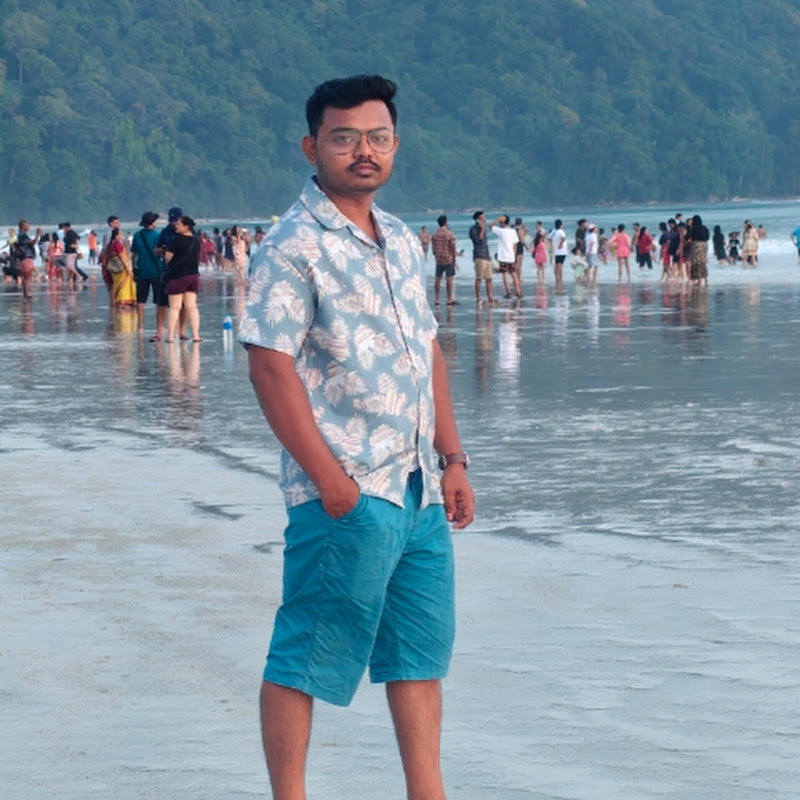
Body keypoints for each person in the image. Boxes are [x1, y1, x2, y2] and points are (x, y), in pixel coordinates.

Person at [238, 74, 474, 800]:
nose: (363, 151)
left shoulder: (399, 237)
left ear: (395, 145)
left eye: (377, 137)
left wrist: (453, 458)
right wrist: (329, 481)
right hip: (345, 489)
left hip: (418, 488)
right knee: (306, 653)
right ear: (312, 147)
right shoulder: (291, 244)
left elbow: (426, 350)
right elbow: (270, 365)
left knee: (418, 656)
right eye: (344, 138)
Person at [163, 214, 201, 343]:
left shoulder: (177, 240)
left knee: (175, 307)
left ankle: (170, 336)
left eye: (179, 224)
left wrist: (167, 258)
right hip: (193, 276)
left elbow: (168, 257)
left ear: (186, 226)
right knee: (192, 307)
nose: (176, 226)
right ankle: (196, 335)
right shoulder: (196, 241)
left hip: (178, 276)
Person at [130, 211, 167, 339]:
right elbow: (161, 253)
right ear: (152, 222)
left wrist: (134, 268)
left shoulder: (137, 235)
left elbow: (133, 255)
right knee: (159, 300)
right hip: (156, 270)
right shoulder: (157, 236)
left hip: (142, 270)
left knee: (140, 299)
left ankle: (141, 326)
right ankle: (160, 326)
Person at [469, 210, 496, 305]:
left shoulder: (483, 228)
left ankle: (490, 297)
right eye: (482, 218)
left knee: (489, 278)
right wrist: (482, 230)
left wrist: (489, 255)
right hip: (479, 255)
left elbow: (485, 243)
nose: (484, 220)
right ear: (477, 220)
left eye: (484, 218)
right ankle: (478, 298)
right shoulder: (473, 229)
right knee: (479, 278)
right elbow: (478, 241)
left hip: (485, 255)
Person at [491, 214, 521, 297]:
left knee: (505, 274)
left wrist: (497, 219)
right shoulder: (513, 231)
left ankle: (508, 292)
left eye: (500, 222)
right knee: (514, 274)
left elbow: (490, 226)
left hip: (503, 256)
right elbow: (515, 245)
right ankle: (518, 291)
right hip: (511, 256)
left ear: (503, 222)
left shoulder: (501, 231)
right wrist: (514, 255)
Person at [105, 227, 136, 308]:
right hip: (120, 266)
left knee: (117, 283)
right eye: (120, 234)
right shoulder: (117, 243)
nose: (121, 235)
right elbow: (121, 256)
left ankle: (119, 301)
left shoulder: (110, 244)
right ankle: (123, 302)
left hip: (113, 266)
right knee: (123, 283)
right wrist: (127, 267)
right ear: (116, 235)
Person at [431, 214, 458, 306]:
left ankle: (437, 299)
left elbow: (433, 249)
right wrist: (454, 258)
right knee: (449, 279)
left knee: (437, 279)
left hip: (439, 259)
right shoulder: (449, 233)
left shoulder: (435, 234)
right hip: (448, 258)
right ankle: (449, 299)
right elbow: (453, 247)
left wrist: (436, 255)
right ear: (446, 222)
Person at [15, 220, 41, 299]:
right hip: (26, 255)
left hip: (25, 255)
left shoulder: (22, 235)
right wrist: (37, 234)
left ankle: (26, 293)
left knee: (26, 275)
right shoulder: (22, 235)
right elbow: (32, 242)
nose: (29, 227)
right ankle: (26, 293)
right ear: (22, 226)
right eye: (27, 225)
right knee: (26, 274)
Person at [688, 215, 709, 286]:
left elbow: (691, 238)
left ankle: (698, 279)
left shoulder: (693, 228)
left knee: (696, 262)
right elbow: (707, 237)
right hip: (704, 245)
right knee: (702, 261)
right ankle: (705, 279)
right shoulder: (705, 228)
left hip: (696, 245)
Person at [549, 218, 568, 286]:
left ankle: (557, 278)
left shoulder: (553, 231)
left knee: (557, 265)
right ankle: (560, 279)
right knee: (560, 265)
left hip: (556, 251)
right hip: (562, 251)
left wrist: (553, 244)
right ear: (560, 225)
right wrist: (560, 244)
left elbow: (549, 238)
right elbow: (563, 238)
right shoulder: (561, 231)